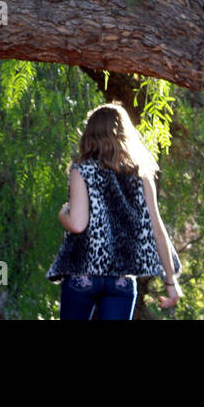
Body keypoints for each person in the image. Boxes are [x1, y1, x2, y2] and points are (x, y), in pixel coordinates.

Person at [46, 102, 182, 319]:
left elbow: (78, 224)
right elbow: (157, 230)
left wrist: (63, 213)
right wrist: (170, 281)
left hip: (84, 274)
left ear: (90, 134)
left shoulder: (82, 169)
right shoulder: (142, 175)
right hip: (122, 280)